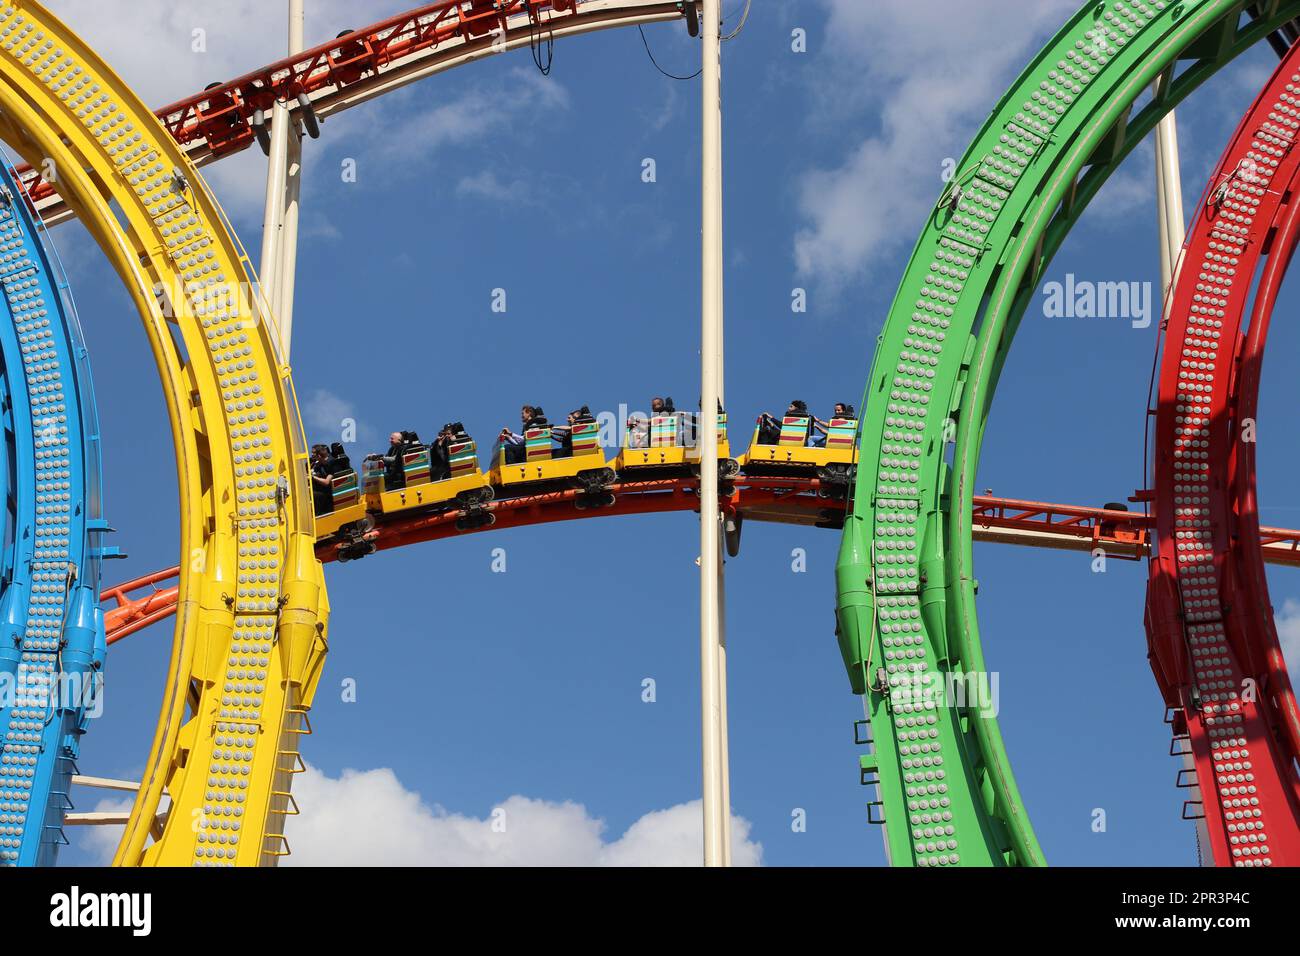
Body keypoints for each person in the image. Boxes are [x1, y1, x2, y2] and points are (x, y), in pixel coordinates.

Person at [310, 444, 334, 515]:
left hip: (327, 493)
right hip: (319, 489)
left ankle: (317, 514)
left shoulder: (332, 463)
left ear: (319, 456)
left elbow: (326, 482)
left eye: (313, 453)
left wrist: (313, 477)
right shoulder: (318, 464)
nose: (312, 455)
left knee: (312, 495)